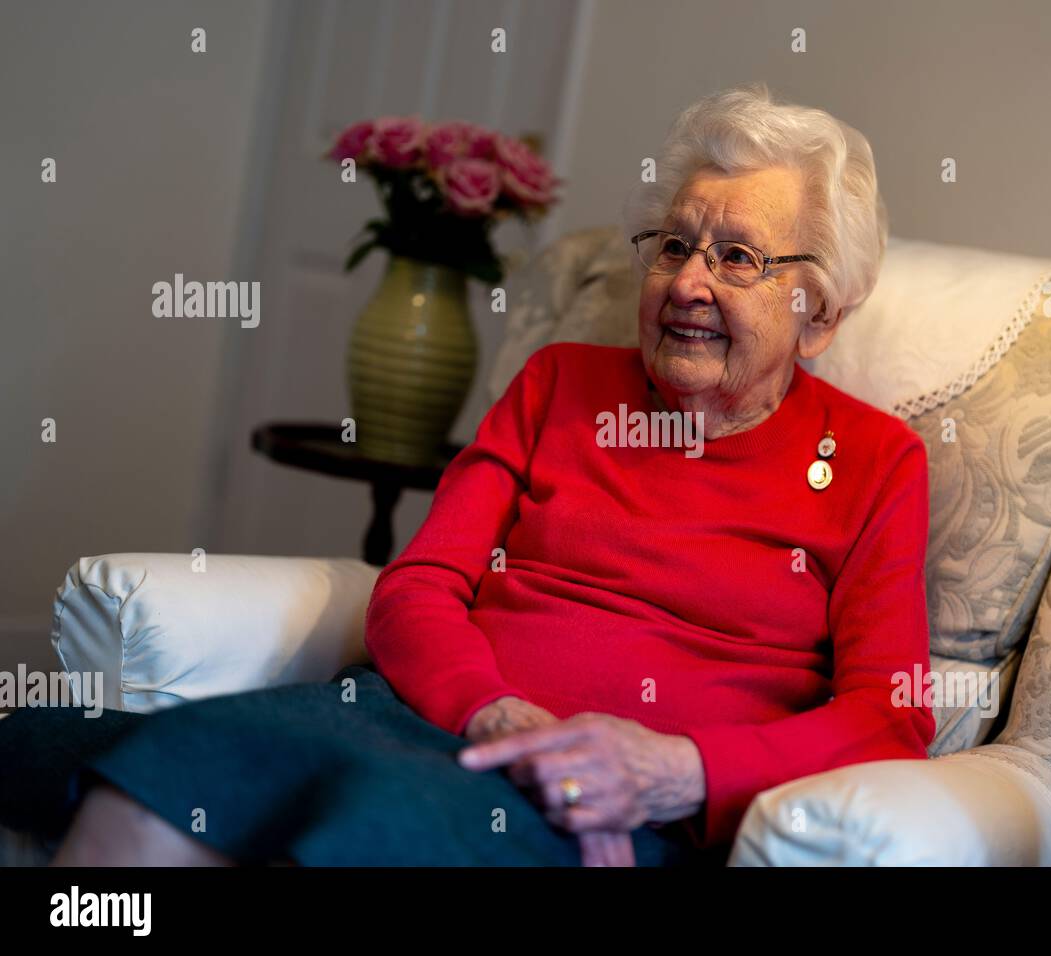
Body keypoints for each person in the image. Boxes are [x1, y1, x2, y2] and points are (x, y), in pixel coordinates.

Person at [0, 82, 934, 866]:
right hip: (431, 720)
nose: (689, 282)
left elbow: (890, 718)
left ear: (821, 312)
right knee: (147, 791)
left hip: (600, 808)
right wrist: (491, 710)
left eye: (737, 258)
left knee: (363, 831)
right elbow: (418, 589)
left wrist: (673, 770)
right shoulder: (560, 383)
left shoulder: (875, 463)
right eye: (677, 246)